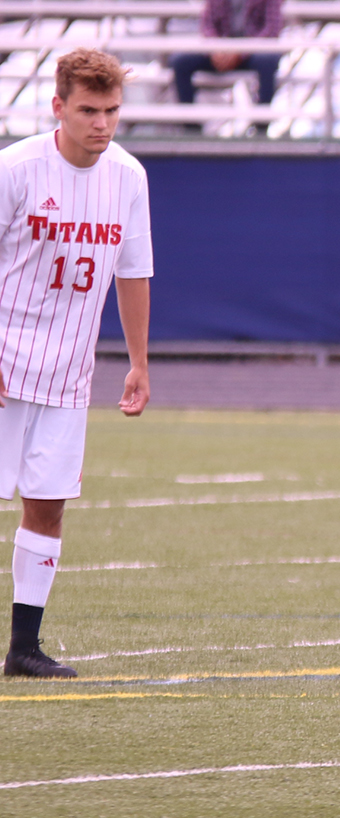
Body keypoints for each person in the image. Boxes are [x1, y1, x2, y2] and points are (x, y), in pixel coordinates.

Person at [2, 48, 153, 678]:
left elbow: (133, 272)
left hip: (67, 373)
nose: (102, 123)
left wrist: (139, 361)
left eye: (112, 110)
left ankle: (23, 648)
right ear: (58, 106)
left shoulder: (129, 176)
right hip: (6, 363)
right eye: (88, 110)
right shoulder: (16, 168)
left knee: (49, 503)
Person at [171, 0, 285, 107]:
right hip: (220, 54)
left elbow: (271, 31)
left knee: (268, 61)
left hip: (253, 54)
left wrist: (240, 53)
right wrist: (217, 49)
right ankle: (190, 125)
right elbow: (207, 26)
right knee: (181, 62)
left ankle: (262, 123)